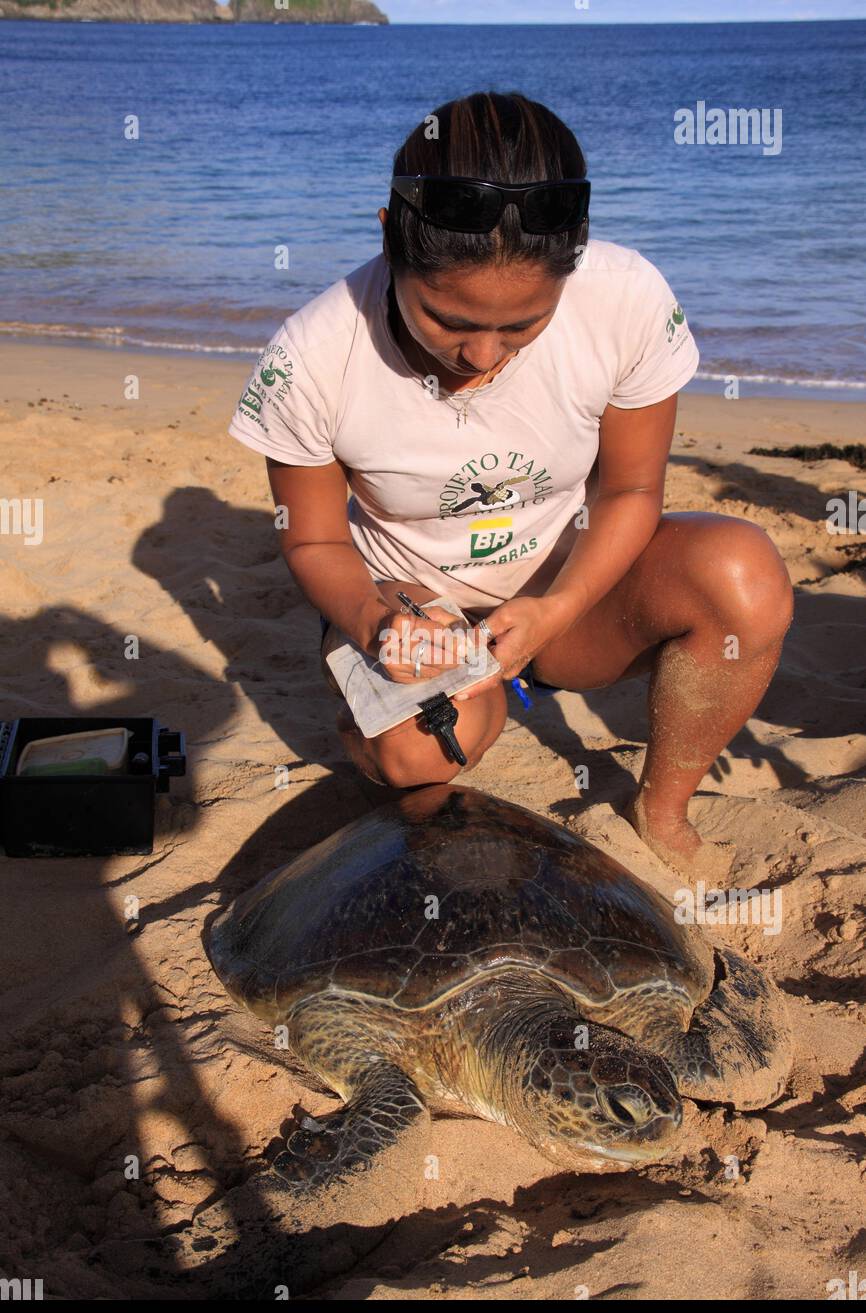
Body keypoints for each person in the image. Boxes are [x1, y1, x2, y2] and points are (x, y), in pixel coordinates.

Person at [227, 90, 792, 880]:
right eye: (449, 321)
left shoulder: (625, 299)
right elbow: (315, 540)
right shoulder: (313, 357)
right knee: (422, 753)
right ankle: (369, 727)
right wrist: (374, 622)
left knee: (744, 576)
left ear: (573, 266)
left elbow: (630, 494)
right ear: (390, 238)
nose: (483, 356)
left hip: (571, 596)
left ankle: (662, 810)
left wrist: (556, 607)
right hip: (416, 605)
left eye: (522, 326)